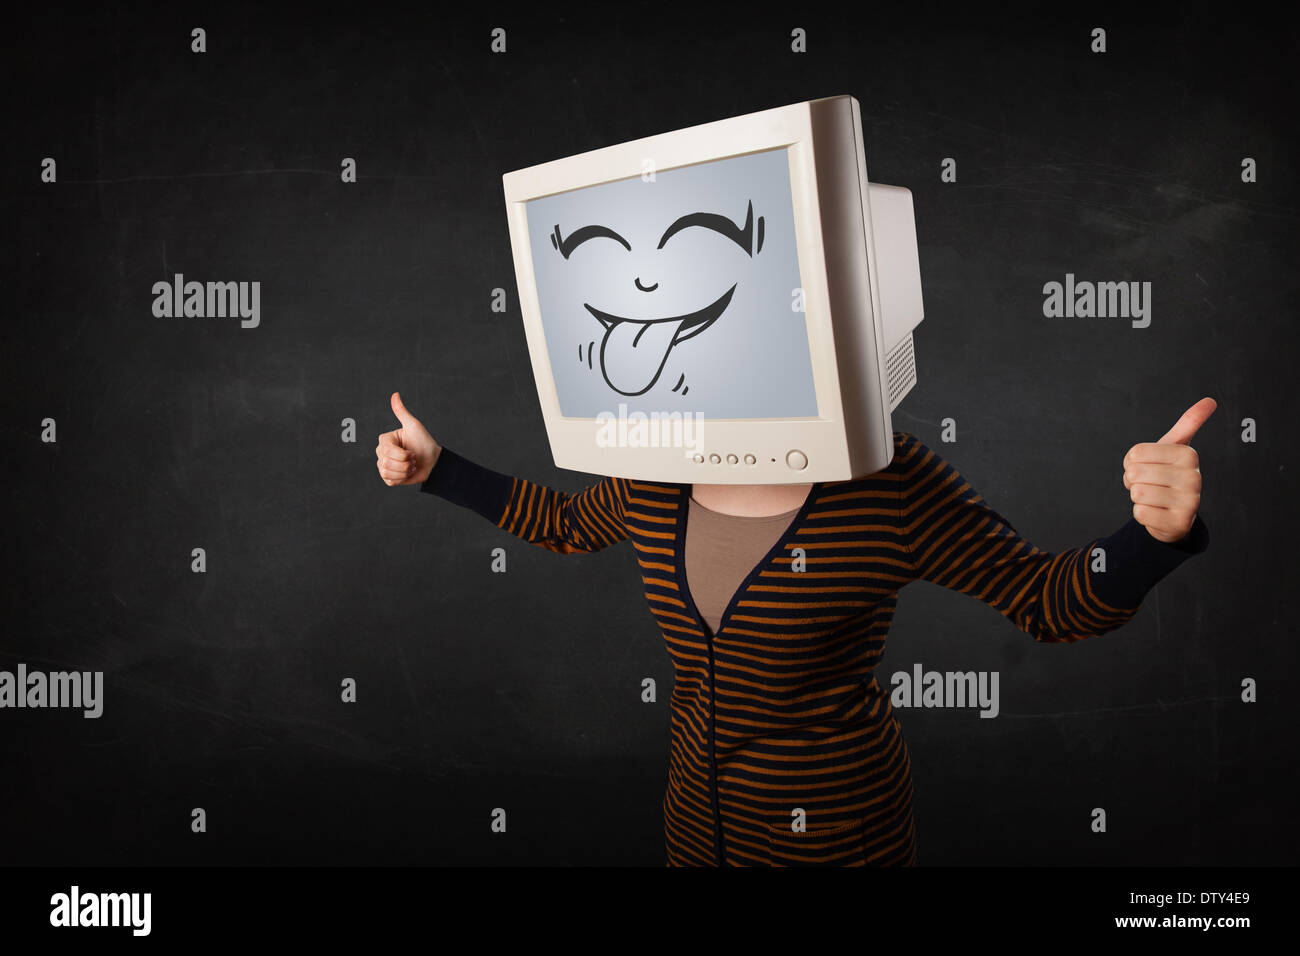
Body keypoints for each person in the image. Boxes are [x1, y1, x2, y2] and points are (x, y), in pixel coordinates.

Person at [376, 391, 1214, 866]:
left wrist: (1151, 539)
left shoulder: (885, 478)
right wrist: (438, 471)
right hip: (694, 829)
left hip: (836, 840)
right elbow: (561, 520)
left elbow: (1047, 599)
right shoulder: (658, 463)